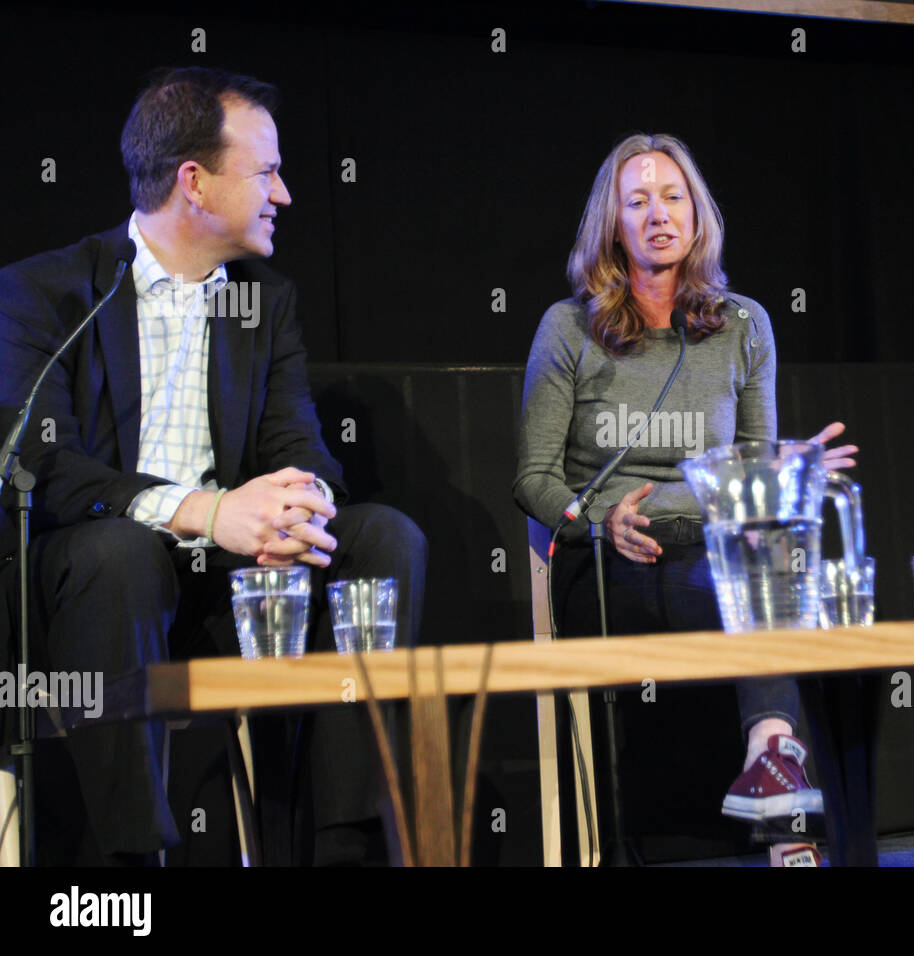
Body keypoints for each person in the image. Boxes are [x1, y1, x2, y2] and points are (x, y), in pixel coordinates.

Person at [0, 66, 427, 865]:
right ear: (193, 182)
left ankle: (346, 846)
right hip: (98, 589)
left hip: (238, 581)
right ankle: (134, 863)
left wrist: (298, 506)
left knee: (382, 540)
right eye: (266, 172)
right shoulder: (48, 293)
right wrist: (206, 511)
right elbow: (42, 465)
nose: (286, 193)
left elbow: (300, 444)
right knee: (117, 553)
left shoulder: (265, 301)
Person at [513, 133, 855, 866]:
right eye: (637, 201)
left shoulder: (744, 324)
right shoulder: (567, 327)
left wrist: (789, 471)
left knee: (775, 568)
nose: (658, 214)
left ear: (698, 215)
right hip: (607, 562)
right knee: (755, 583)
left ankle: (778, 777)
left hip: (718, 552)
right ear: (613, 224)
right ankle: (770, 795)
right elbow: (534, 479)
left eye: (673, 197)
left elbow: (754, 468)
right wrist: (603, 520)